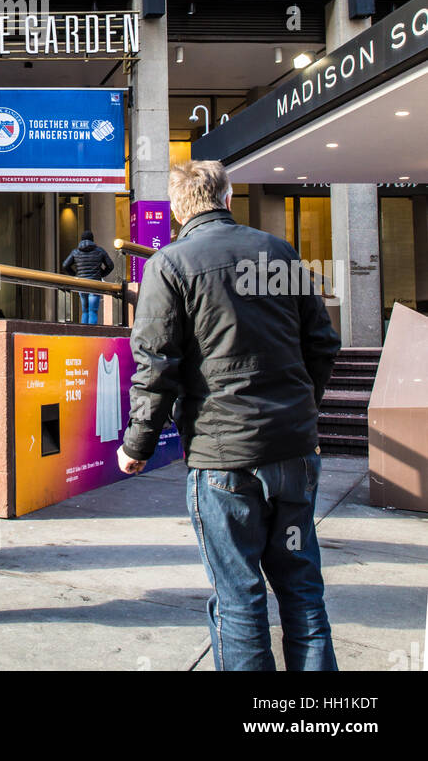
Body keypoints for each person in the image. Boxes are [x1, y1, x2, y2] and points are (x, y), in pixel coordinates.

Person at [117, 160, 341, 672]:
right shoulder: (277, 253)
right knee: (303, 590)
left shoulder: (170, 265)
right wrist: (301, 410)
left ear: (177, 207)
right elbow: (323, 344)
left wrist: (137, 445)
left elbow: (156, 366)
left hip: (224, 459)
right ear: (228, 196)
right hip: (293, 453)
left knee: (239, 596)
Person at [61, 230, 114, 325]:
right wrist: (101, 274)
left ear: (81, 240)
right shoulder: (99, 251)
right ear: (92, 239)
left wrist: (75, 275)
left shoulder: (75, 252)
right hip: (95, 285)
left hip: (82, 284)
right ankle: (92, 334)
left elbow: (65, 265)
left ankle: (84, 334)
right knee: (93, 311)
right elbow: (110, 265)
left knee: (85, 310)